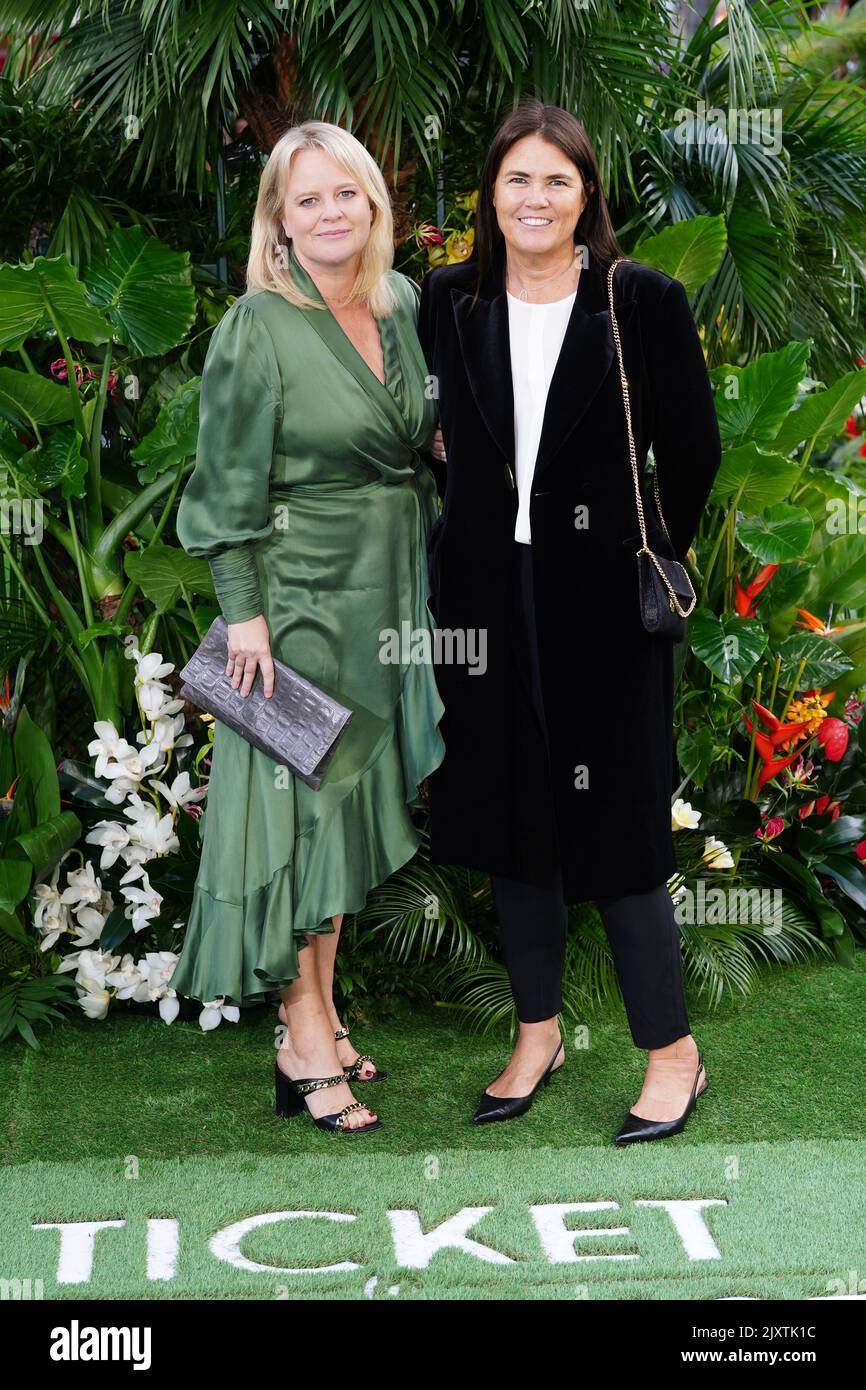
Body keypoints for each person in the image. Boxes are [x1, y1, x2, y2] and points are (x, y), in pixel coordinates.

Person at [419, 100, 722, 1142]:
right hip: (486, 599)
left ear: (585, 193)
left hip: (604, 604)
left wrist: (651, 547)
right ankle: (535, 1032)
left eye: (556, 179)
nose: (535, 198)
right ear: (489, 197)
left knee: (621, 825)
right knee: (513, 819)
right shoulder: (448, 300)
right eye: (516, 179)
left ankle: (670, 1053)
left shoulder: (640, 299)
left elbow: (693, 448)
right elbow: (441, 432)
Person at [171, 121, 444, 1134]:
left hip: (388, 592)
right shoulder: (257, 326)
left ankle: (321, 1012)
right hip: (292, 606)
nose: (331, 212)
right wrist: (242, 615)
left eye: (348, 195)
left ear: (373, 206)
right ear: (277, 221)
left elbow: (415, 434)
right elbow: (223, 488)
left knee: (336, 815)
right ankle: (298, 1036)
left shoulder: (400, 301)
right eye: (308, 199)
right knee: (295, 816)